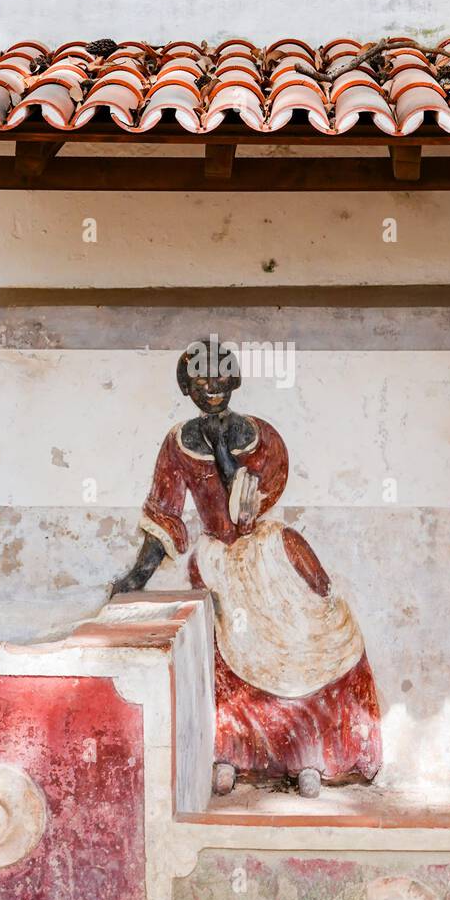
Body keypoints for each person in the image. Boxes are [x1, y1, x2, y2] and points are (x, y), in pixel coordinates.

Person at [111, 338, 382, 798]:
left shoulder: (261, 437)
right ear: (187, 388)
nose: (211, 387)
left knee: (311, 636)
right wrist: (134, 579)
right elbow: (165, 516)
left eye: (219, 377)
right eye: (200, 380)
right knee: (234, 649)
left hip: (268, 550)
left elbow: (247, 510)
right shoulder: (177, 444)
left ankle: (308, 756)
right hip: (221, 558)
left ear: (233, 380)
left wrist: (222, 451)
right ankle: (235, 755)